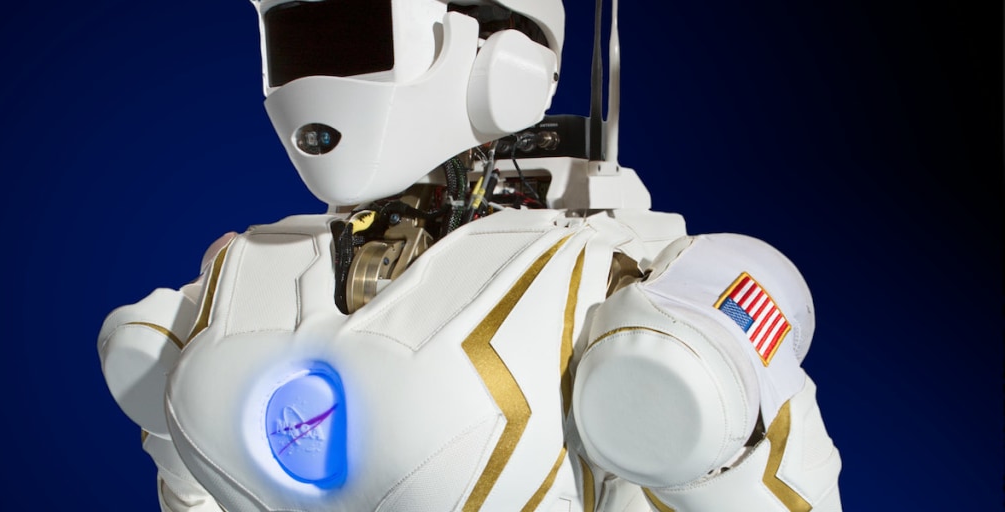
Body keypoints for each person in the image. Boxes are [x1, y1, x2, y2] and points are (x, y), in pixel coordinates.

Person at [98, 1, 842, 510]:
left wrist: (706, 402)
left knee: (674, 380)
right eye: (298, 40)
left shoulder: (611, 279)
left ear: (502, 60)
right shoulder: (256, 271)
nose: (319, 75)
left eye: (356, 35)